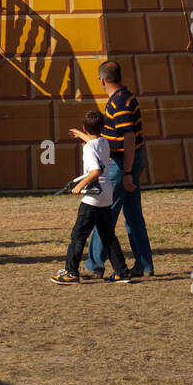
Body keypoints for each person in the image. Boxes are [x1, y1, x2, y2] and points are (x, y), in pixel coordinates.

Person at [84, 60, 155, 278]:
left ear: (102, 80)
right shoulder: (127, 96)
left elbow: (129, 136)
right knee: (133, 215)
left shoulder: (118, 103)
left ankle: (94, 265)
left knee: (104, 213)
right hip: (130, 160)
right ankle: (143, 265)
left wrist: (126, 172)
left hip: (122, 163)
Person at [52, 110, 130, 284]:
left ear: (84, 127)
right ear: (102, 127)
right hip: (106, 195)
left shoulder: (88, 148)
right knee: (108, 235)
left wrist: (79, 186)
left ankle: (71, 272)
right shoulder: (103, 141)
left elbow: (95, 171)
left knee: (78, 235)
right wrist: (81, 134)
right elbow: (93, 141)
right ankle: (122, 272)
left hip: (93, 197)